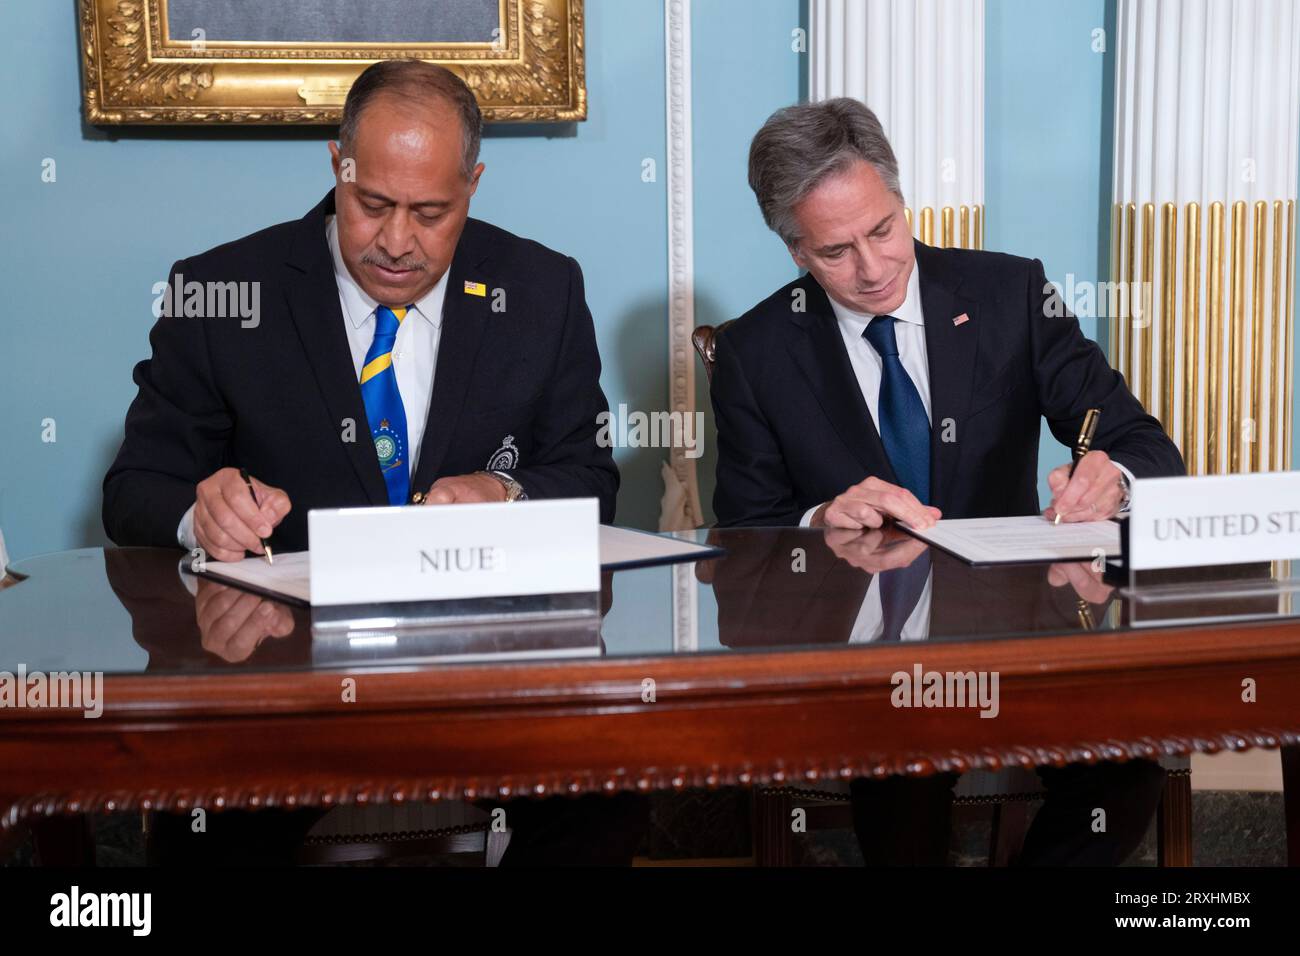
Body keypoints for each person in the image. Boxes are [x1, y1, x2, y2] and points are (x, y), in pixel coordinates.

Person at [102, 59, 643, 866]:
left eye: (431, 212)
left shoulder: (541, 289)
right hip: (283, 685)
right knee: (204, 823)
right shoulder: (217, 290)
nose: (396, 242)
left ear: (474, 185)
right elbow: (133, 489)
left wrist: (505, 491)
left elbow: (592, 480)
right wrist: (199, 509)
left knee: (605, 792)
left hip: (488, 676)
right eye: (372, 205)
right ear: (336, 165)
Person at [711, 97, 1185, 864]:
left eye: (883, 229)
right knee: (903, 791)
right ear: (795, 250)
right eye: (835, 251)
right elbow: (741, 535)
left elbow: (1139, 441)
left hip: (1019, 635)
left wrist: (1114, 478)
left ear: (902, 202)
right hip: (868, 658)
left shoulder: (1009, 296)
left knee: (1124, 776)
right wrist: (821, 517)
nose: (872, 269)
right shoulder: (756, 353)